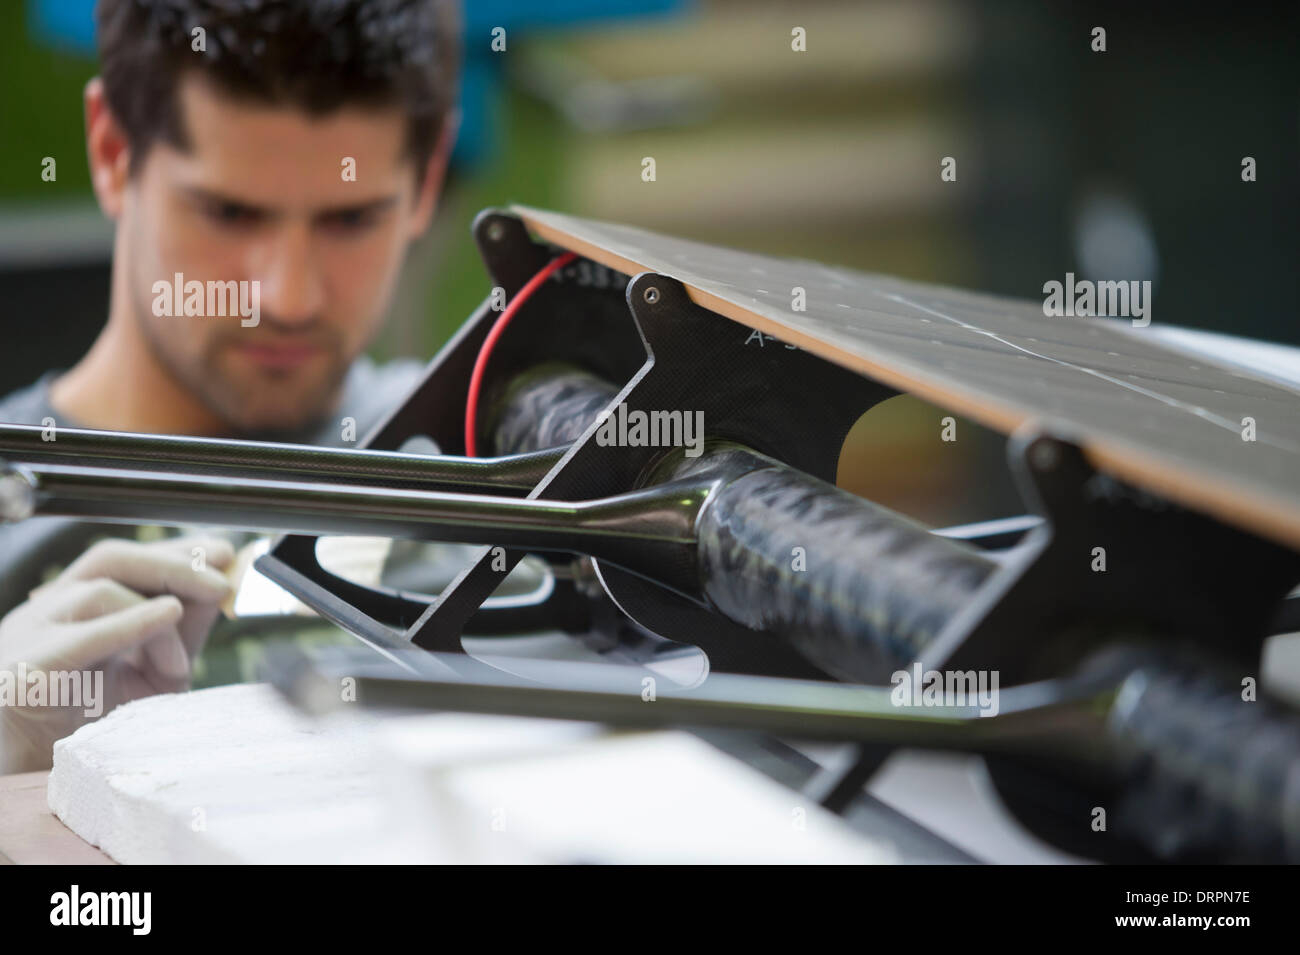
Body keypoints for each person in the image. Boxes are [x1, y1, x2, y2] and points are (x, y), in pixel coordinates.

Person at [0, 0, 462, 773]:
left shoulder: (519, 461)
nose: (287, 297)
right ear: (114, 151)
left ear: (427, 183)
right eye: (229, 211)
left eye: (350, 219)